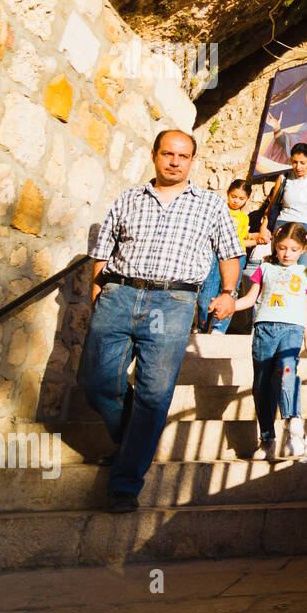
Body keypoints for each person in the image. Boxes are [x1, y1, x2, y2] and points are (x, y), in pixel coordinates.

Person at [77, 130, 244, 513]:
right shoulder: (128, 198)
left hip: (173, 301)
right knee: (95, 382)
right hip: (118, 294)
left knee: (154, 394)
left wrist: (229, 293)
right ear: (154, 155)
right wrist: (96, 295)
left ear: (192, 161)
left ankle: (125, 483)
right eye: (167, 154)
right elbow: (104, 252)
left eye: (183, 156)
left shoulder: (211, 205)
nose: (174, 161)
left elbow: (230, 252)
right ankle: (136, 442)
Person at [232, 222, 307, 460]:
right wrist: (229, 305)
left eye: (293, 249)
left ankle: (293, 422)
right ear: (275, 245)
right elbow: (250, 299)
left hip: (292, 330)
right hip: (264, 330)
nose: (287, 253)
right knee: (261, 386)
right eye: (282, 248)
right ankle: (267, 440)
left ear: (302, 249)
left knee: (286, 372)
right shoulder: (265, 267)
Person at [196, 179, 256, 333]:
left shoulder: (244, 218)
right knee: (207, 292)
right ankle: (202, 325)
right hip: (215, 255)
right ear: (228, 194)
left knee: (229, 291)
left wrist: (256, 239)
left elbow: (241, 240)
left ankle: (219, 327)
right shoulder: (218, 211)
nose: (236, 201)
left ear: (247, 199)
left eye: (241, 198)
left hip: (236, 257)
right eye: (233, 196)